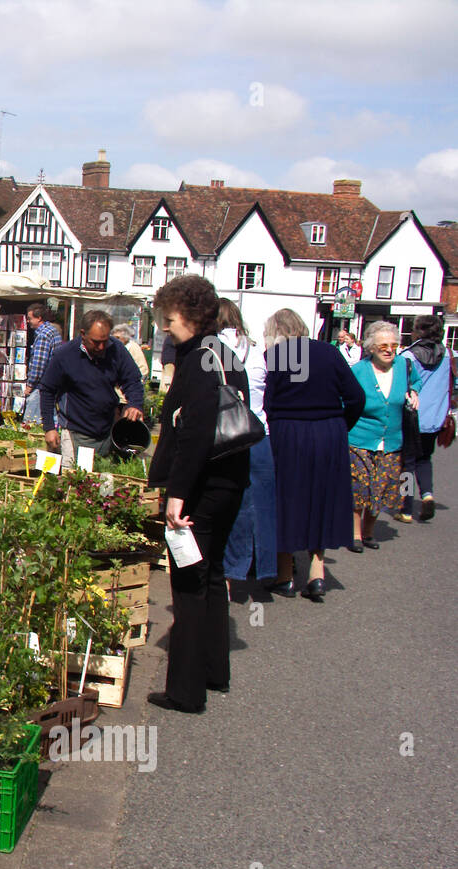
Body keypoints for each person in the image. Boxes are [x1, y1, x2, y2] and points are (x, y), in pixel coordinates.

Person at [145, 276, 252, 714]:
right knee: (212, 577)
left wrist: (177, 494)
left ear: (188, 315)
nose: (166, 329)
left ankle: (185, 690)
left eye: (169, 320)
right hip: (230, 480)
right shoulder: (226, 354)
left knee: (188, 580)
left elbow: (195, 433)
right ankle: (213, 670)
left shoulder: (199, 360)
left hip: (202, 486)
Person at [263, 309, 365, 602]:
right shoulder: (330, 353)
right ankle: (317, 574)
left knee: (286, 500)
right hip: (329, 433)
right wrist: (340, 426)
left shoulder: (278, 356)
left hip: (288, 434)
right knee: (320, 499)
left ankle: (284, 576)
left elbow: (267, 403)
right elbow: (357, 397)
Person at [218, 300, 277, 587]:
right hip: (259, 433)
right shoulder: (257, 351)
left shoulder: (212, 349)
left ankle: (228, 575)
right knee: (262, 506)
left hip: (226, 436)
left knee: (228, 504)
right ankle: (261, 568)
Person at [38, 309, 145, 466]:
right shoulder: (65, 355)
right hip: (75, 431)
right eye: (96, 342)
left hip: (107, 431)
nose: (101, 347)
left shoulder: (116, 349)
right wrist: (49, 428)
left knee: (103, 484)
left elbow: (132, 380)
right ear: (83, 334)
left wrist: (135, 403)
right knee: (73, 481)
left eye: (105, 341)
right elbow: (47, 390)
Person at [347, 321, 419, 550]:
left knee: (381, 489)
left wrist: (415, 392)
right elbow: (344, 399)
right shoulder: (358, 371)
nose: (389, 350)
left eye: (394, 345)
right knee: (360, 488)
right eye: (383, 346)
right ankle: (355, 534)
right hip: (359, 439)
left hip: (393, 441)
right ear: (371, 348)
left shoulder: (404, 366)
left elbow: (415, 381)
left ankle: (369, 532)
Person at [399, 314, 455, 522]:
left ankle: (405, 507)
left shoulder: (409, 356)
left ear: (418, 331)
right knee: (425, 459)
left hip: (411, 416)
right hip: (435, 417)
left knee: (406, 463)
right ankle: (427, 495)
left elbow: (401, 385)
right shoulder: (448, 354)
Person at [22, 302, 61, 424]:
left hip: (41, 385)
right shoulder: (53, 331)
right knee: (49, 419)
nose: (28, 321)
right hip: (52, 383)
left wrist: (30, 385)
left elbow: (39, 364)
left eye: (30, 318)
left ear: (39, 318)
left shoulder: (43, 335)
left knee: (32, 423)